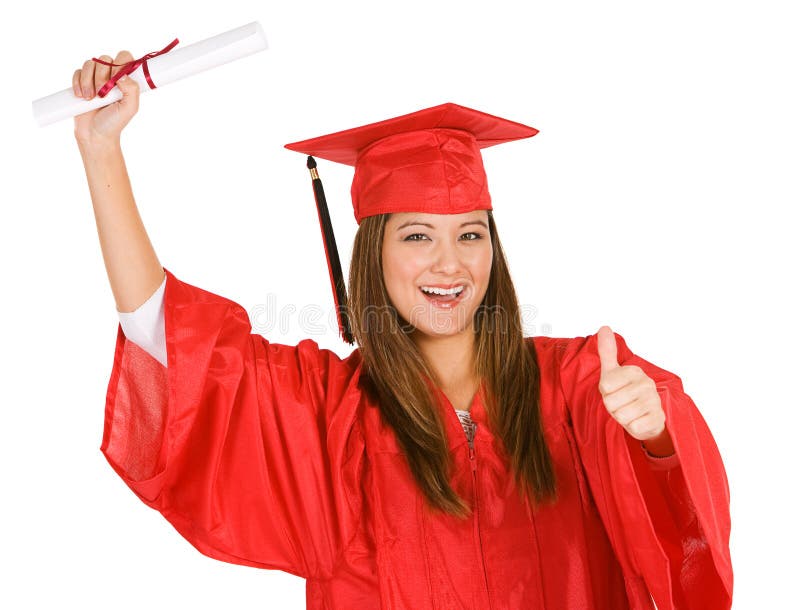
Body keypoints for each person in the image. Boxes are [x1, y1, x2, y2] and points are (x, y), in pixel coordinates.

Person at [74, 51, 733, 610]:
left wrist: (657, 440)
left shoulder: (580, 381)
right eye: (417, 235)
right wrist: (103, 151)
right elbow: (171, 341)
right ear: (374, 255)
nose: (449, 263)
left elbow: (682, 557)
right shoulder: (327, 418)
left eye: (469, 234)